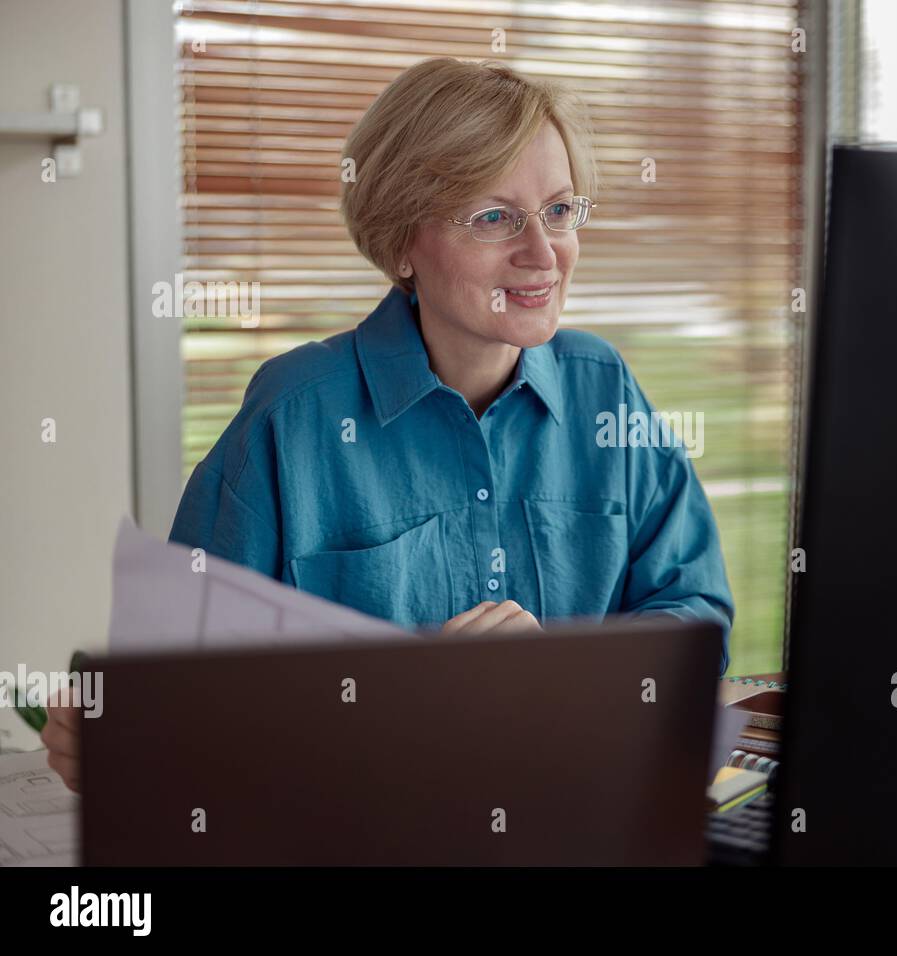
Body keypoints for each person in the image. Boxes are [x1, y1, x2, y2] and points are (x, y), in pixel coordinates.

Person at [42, 57, 734, 792]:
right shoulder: (293, 417)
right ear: (402, 242)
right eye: (494, 217)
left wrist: (565, 680)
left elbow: (694, 613)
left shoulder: (605, 391)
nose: (544, 254)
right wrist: (116, 735)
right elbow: (180, 687)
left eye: (560, 211)